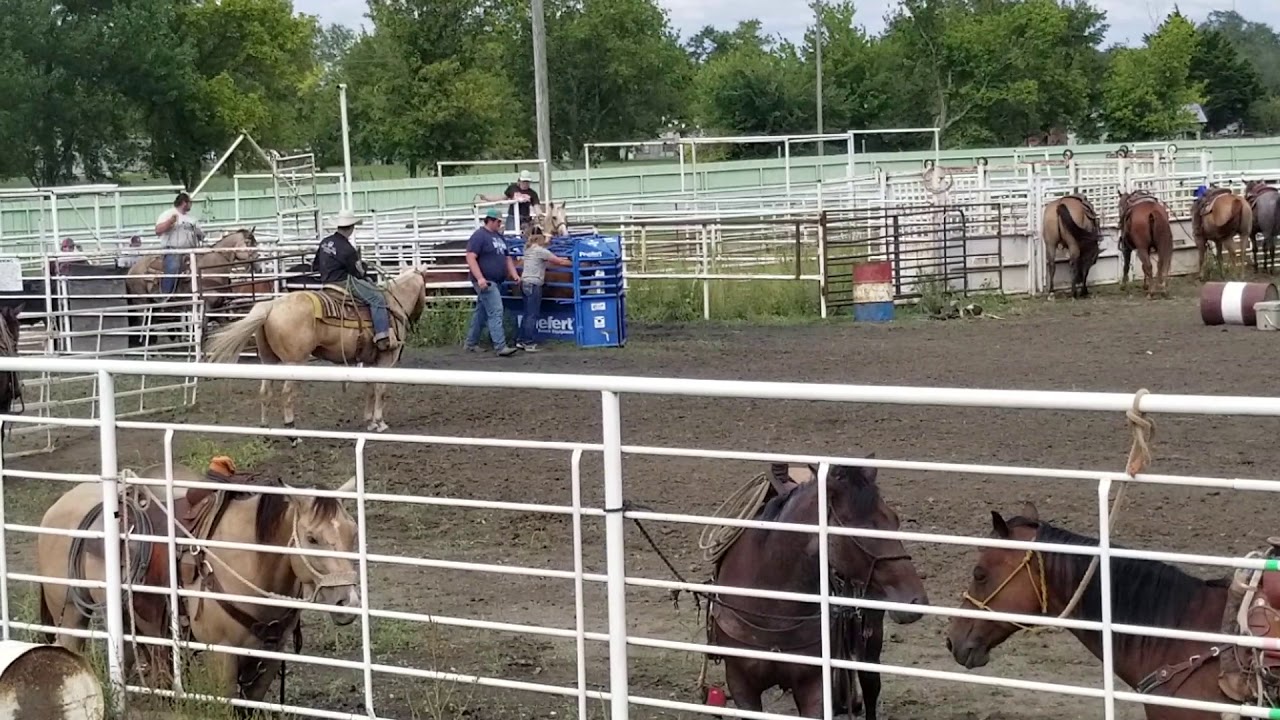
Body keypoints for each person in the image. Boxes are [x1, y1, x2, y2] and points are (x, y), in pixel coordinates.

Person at [313, 209, 391, 351]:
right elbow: (357, 273)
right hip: (342, 282)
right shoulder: (348, 249)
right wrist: (364, 270)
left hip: (326, 282)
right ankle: (381, 336)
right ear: (352, 228)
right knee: (378, 298)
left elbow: (316, 265)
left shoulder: (325, 242)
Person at [464, 208, 521, 356]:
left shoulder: (499, 237)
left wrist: (514, 274)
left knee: (481, 313)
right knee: (496, 311)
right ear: (491, 220)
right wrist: (480, 278)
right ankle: (500, 346)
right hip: (486, 281)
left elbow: (507, 257)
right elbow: (470, 257)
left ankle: (471, 343)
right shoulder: (479, 236)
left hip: (495, 280)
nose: (500, 224)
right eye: (498, 221)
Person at [515, 233, 571, 352]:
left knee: (527, 313)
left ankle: (520, 340)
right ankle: (529, 342)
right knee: (532, 314)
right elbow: (559, 262)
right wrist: (573, 262)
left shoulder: (528, 250)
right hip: (534, 283)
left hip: (524, 282)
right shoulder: (541, 251)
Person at [153, 192, 205, 295]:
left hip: (191, 251)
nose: (191, 205)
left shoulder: (192, 219)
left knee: (204, 265)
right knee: (173, 267)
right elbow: (158, 231)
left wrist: (199, 233)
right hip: (173, 250)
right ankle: (166, 294)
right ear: (184, 203)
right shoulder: (168, 214)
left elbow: (201, 235)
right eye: (190, 202)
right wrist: (170, 222)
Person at [477, 170, 541, 232]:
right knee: (510, 235)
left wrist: (540, 216)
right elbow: (502, 198)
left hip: (525, 218)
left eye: (527, 182)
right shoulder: (512, 188)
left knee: (526, 236)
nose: (525, 184)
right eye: (523, 181)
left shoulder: (532, 193)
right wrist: (486, 198)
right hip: (512, 217)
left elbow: (537, 207)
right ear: (519, 181)